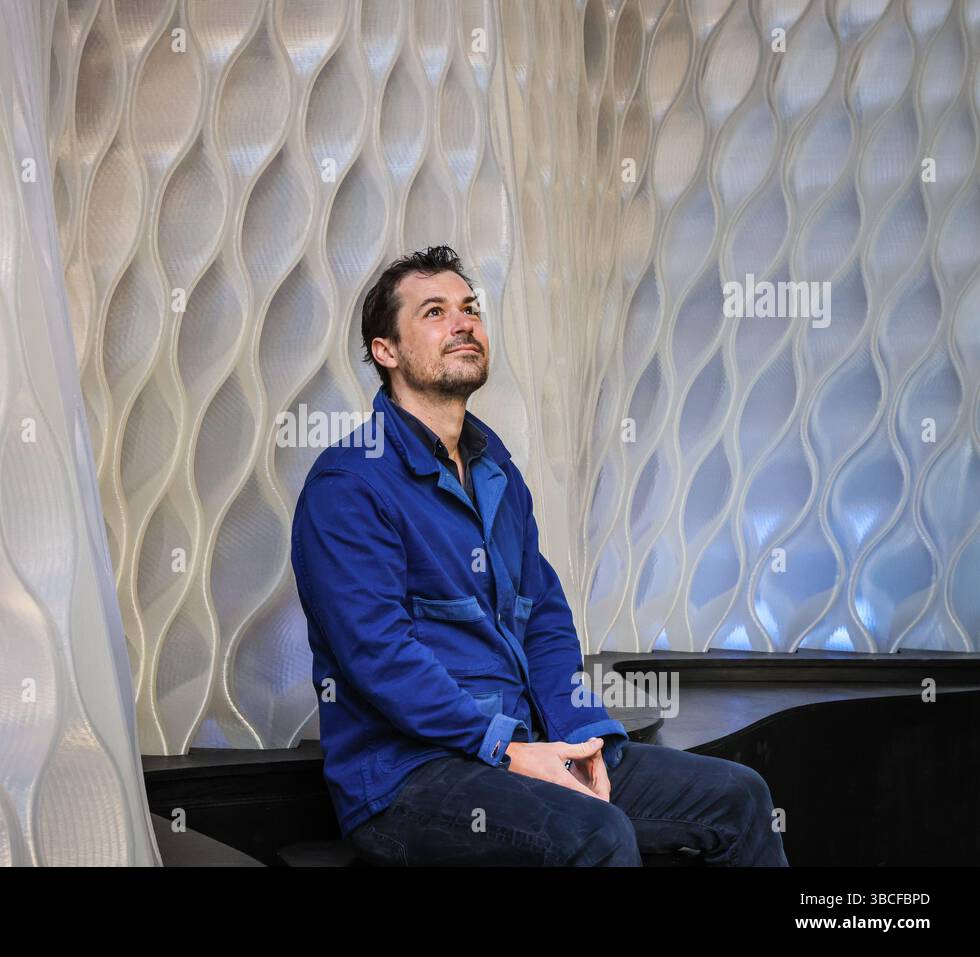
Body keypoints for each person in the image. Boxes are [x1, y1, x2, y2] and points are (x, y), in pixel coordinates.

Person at [289, 245, 788, 866]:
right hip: (409, 781)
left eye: (470, 308)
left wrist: (583, 738)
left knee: (740, 797)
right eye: (435, 312)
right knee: (596, 835)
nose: (464, 322)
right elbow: (378, 656)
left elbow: (544, 619)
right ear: (385, 351)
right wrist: (502, 749)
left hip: (525, 748)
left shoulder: (495, 469)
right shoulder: (349, 485)